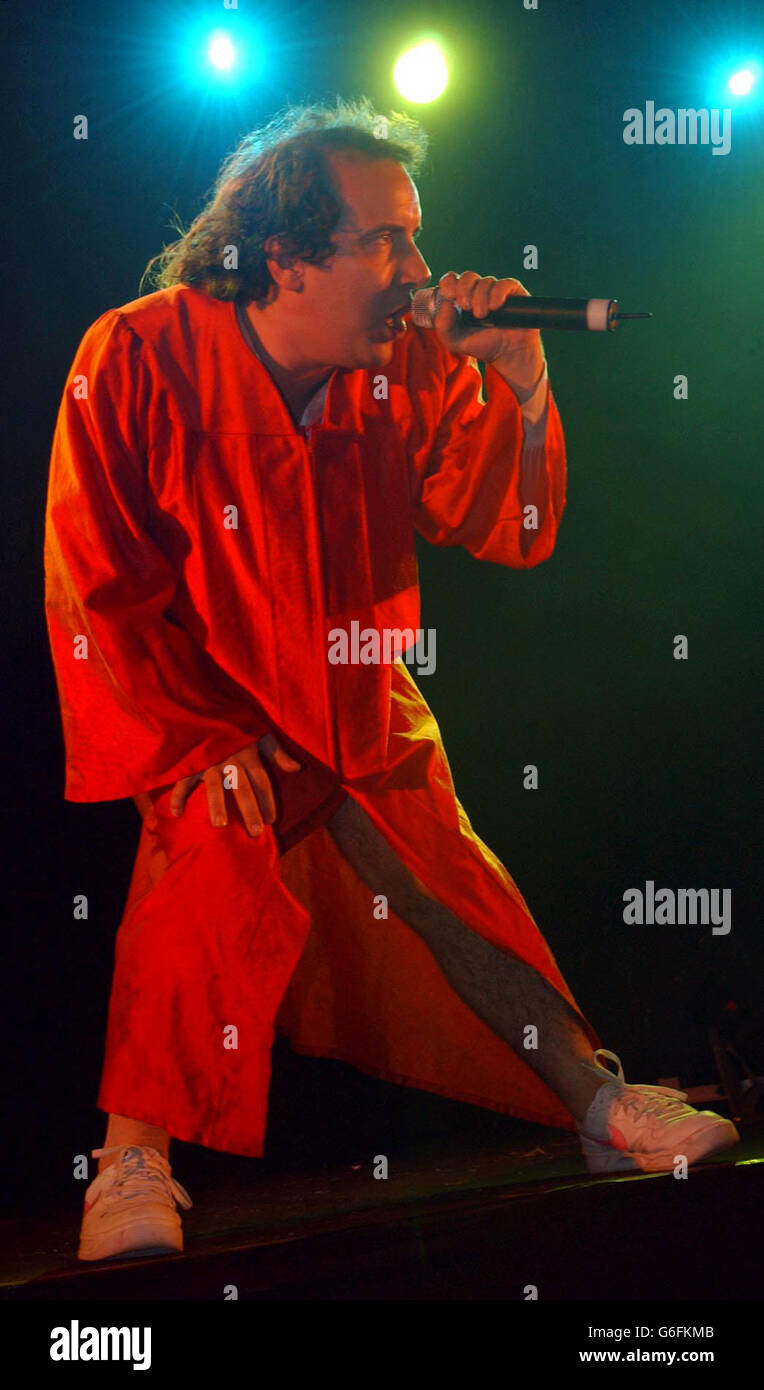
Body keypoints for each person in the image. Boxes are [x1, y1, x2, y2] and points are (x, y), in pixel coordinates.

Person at [44, 98, 738, 1263]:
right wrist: (197, 737)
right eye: (386, 241)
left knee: (449, 884)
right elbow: (94, 581)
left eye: (415, 236)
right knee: (201, 860)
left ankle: (597, 1103)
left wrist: (519, 383)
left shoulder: (405, 359)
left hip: (357, 692)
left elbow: (506, 524)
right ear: (285, 255)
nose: (419, 269)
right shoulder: (138, 354)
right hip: (210, 704)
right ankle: (129, 1161)